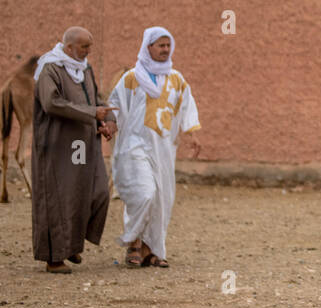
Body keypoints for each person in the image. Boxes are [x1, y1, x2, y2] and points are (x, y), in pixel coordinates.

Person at [107, 26, 200, 268]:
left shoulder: (177, 79)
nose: (165, 50)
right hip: (134, 145)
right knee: (143, 193)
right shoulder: (132, 78)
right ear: (148, 47)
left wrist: (191, 134)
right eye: (160, 45)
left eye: (168, 45)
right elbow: (115, 105)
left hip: (164, 148)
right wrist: (109, 125)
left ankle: (153, 249)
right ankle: (133, 241)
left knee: (161, 197)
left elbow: (186, 108)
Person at [31, 26, 116, 273]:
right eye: (84, 47)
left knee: (96, 193)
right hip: (58, 146)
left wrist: (108, 121)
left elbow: (95, 99)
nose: (89, 51)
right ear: (69, 47)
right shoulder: (50, 69)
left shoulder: (84, 69)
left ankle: (73, 245)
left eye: (90, 46)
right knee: (59, 198)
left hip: (84, 144)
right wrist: (92, 113)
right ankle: (54, 257)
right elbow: (52, 103)